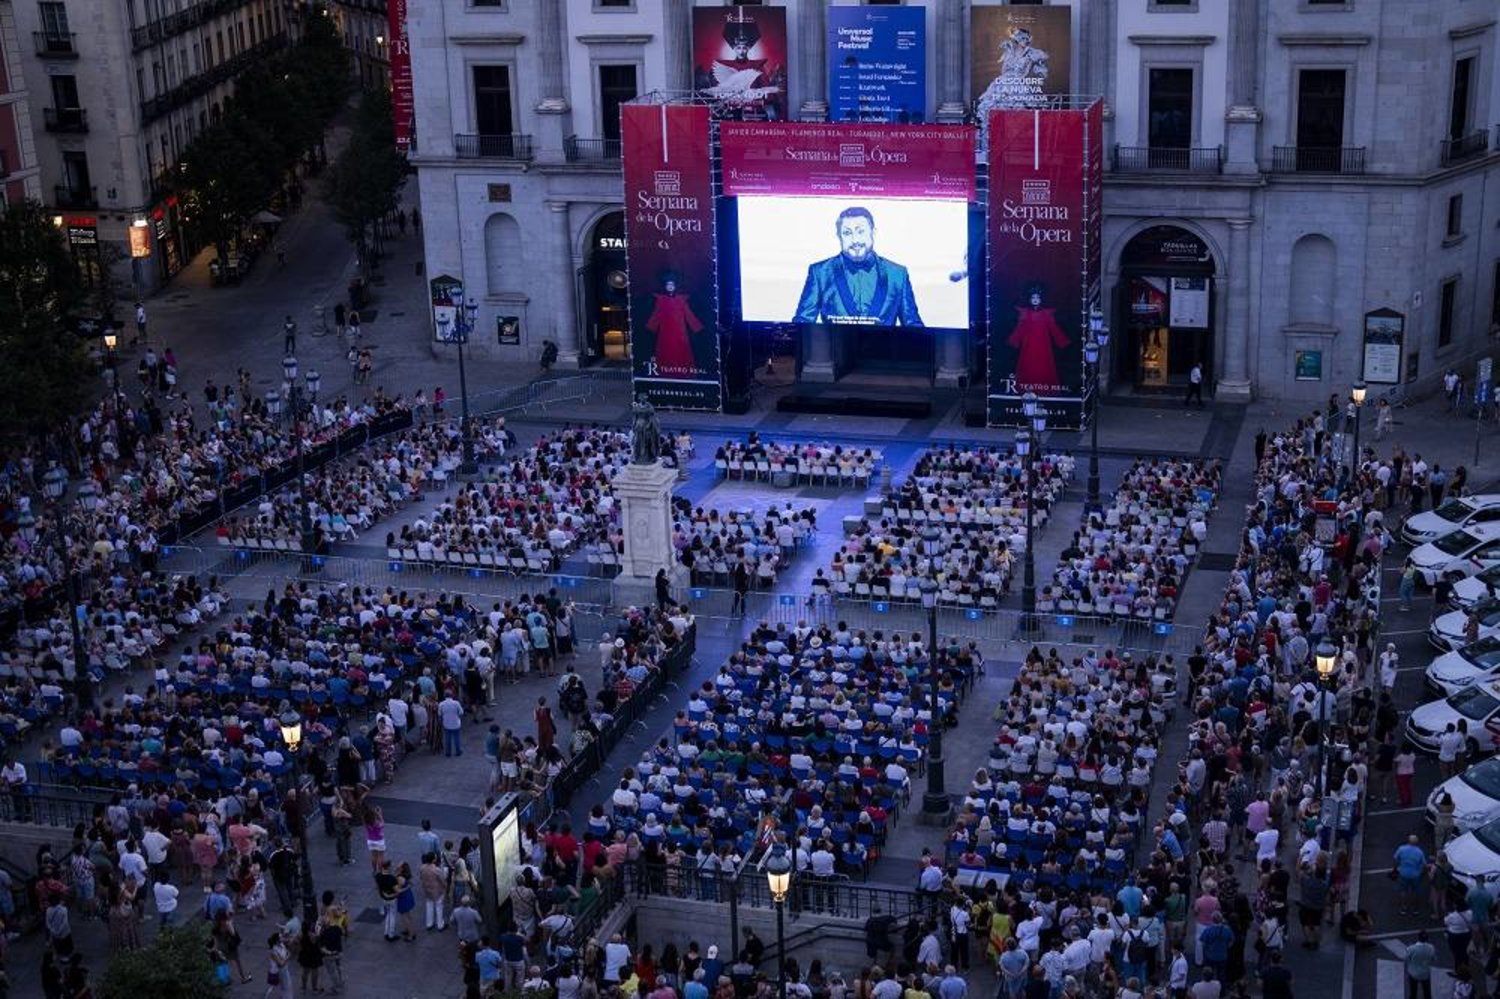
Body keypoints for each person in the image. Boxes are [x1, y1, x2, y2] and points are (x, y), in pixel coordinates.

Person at [793, 207, 923, 326]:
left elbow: (913, 327)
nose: (855, 240)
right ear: (839, 236)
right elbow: (802, 325)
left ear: (873, 232)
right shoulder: (819, 273)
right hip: (835, 351)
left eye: (860, 231)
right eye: (847, 233)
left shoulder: (898, 274)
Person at [643, 273, 706, 378]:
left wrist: (696, 326)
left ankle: (682, 372)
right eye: (668, 285)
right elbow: (656, 313)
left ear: (675, 286)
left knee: (680, 350)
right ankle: (666, 372)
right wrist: (651, 326)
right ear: (665, 286)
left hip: (679, 330)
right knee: (666, 349)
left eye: (672, 284)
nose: (670, 286)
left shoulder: (681, 300)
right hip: (665, 330)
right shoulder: (661, 300)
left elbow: (688, 314)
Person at [1404, 930, 1435, 999]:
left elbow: (1406, 959)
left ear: (1418, 937)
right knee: (1427, 992)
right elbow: (1433, 959)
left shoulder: (1411, 948)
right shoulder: (1431, 948)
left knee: (1413, 991)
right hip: (1425, 973)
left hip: (1413, 973)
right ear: (1427, 939)